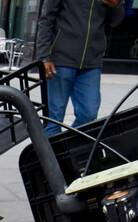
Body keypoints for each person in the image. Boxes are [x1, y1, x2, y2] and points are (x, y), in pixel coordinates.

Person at [34, 0, 125, 129]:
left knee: (89, 115)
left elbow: (114, 22)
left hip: (92, 62)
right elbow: (46, 19)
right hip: (61, 59)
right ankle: (50, 149)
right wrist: (43, 57)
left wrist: (117, 6)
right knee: (54, 117)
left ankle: (68, 145)